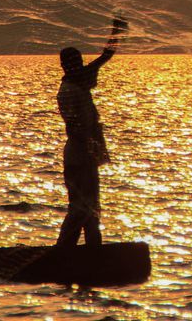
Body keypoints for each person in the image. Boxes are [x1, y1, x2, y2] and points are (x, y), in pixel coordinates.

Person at [56, 16, 126, 247]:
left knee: (90, 207)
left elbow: (105, 57)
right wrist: (90, 149)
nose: (81, 67)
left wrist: (116, 31)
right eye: (75, 63)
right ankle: (64, 251)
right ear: (67, 67)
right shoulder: (70, 88)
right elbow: (76, 129)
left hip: (82, 154)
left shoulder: (77, 83)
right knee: (81, 207)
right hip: (80, 155)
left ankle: (91, 250)